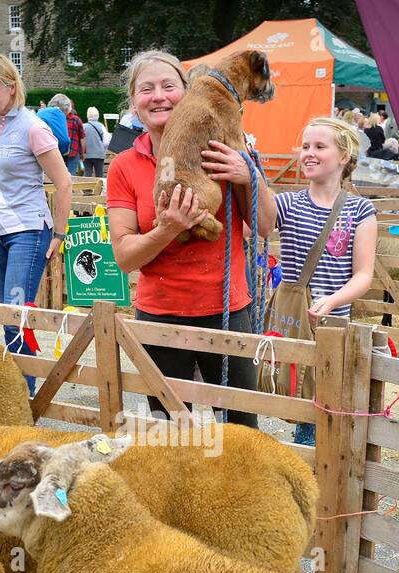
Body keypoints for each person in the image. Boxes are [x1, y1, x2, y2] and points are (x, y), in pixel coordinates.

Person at [107, 50, 276, 429]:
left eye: (169, 86)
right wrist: (167, 228)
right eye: (146, 89)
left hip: (227, 311)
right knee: (168, 433)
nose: (159, 96)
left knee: (240, 431)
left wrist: (247, 174)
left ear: (189, 91)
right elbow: (124, 256)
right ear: (134, 103)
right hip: (162, 315)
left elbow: (266, 227)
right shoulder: (124, 166)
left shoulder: (225, 146)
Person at [0, 53, 72, 396]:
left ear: (12, 87)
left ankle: (24, 391)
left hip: (29, 230)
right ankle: (18, 385)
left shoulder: (33, 127)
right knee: (7, 313)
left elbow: (64, 183)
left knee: (17, 312)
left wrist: (59, 232)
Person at [274, 116, 378, 445]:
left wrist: (333, 301)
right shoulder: (285, 203)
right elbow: (252, 227)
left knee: (326, 402)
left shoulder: (361, 210)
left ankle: (313, 471)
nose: (309, 153)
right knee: (298, 395)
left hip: (334, 326)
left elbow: (363, 274)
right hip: (293, 320)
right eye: (305, 146)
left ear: (343, 156)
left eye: (320, 146)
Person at [56, 95, 86, 175]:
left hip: (60, 151)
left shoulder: (58, 119)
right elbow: (82, 138)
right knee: (71, 175)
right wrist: (82, 153)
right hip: (73, 151)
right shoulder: (77, 120)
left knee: (59, 174)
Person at [82, 106, 107, 177]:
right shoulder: (101, 126)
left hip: (87, 155)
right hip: (99, 154)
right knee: (99, 175)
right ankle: (101, 188)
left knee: (87, 174)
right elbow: (106, 142)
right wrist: (103, 149)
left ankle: (86, 188)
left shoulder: (83, 126)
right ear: (98, 115)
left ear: (87, 116)